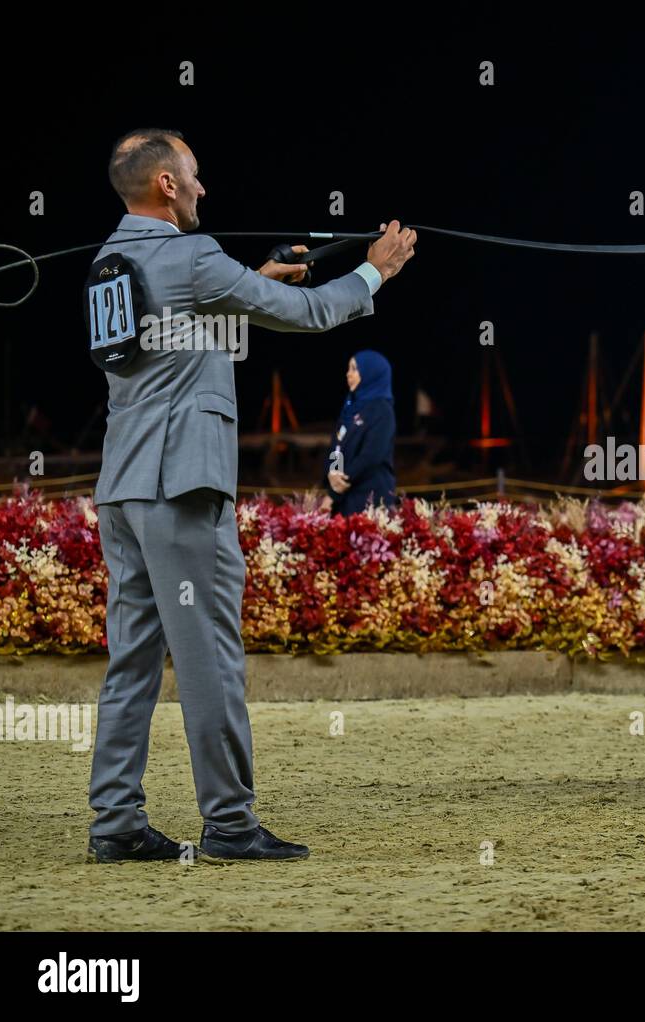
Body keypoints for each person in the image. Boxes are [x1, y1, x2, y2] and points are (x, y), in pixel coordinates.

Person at [86, 127, 416, 863]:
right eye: (194, 175)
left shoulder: (108, 263)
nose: (204, 188)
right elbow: (303, 317)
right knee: (210, 660)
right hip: (181, 489)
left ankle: (115, 823)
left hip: (123, 490)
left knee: (131, 663)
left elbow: (179, 328)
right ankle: (230, 825)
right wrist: (373, 275)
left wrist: (255, 278)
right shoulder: (192, 255)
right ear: (166, 184)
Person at [325, 350, 398, 515]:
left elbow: (371, 456)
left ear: (370, 373)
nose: (348, 374)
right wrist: (333, 473)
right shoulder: (351, 406)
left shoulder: (382, 410)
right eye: (348, 368)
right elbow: (337, 444)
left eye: (354, 369)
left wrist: (336, 489)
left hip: (370, 499)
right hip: (343, 499)